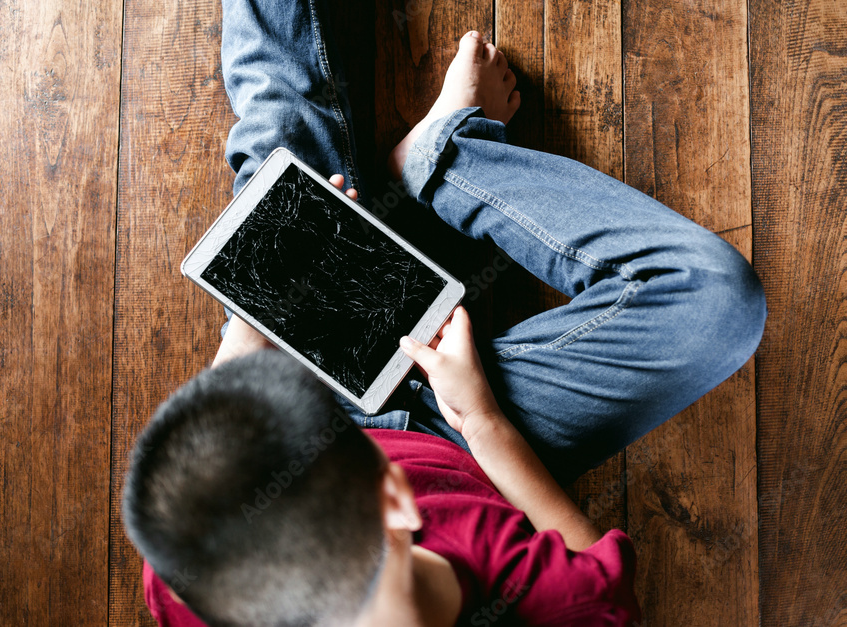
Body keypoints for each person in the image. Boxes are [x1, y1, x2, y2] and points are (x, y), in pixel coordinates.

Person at [122, 0, 767, 625]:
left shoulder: (194, 576)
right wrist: (482, 421)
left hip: (299, 405)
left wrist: (261, 314)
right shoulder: (561, 608)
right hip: (467, 440)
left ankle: (396, 201)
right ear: (396, 501)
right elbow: (585, 566)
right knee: (713, 304)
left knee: (281, 142)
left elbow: (219, 440)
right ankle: (441, 161)